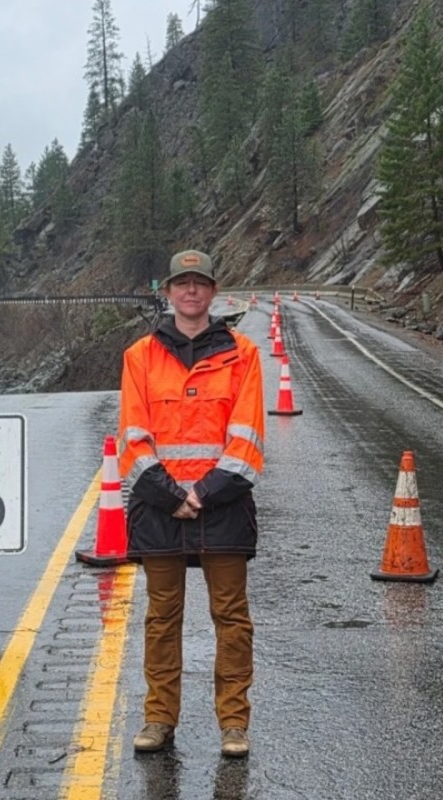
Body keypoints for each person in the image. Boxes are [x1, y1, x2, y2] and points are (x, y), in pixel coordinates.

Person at [118, 249, 265, 759]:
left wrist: (202, 493)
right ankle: (158, 718)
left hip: (221, 506)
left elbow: (247, 439)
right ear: (168, 292)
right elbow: (132, 440)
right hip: (161, 511)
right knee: (162, 618)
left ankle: (233, 723)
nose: (191, 291)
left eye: (199, 282)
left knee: (231, 617)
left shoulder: (243, 354)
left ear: (213, 290)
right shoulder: (139, 356)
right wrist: (171, 495)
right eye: (182, 283)